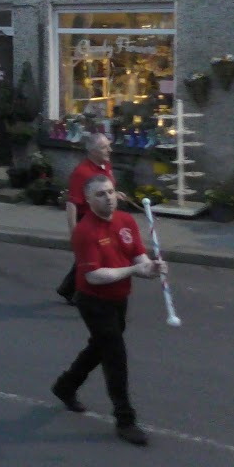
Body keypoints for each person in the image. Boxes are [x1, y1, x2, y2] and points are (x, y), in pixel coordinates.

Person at [50, 174, 164, 446]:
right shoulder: (85, 231)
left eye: (111, 192)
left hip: (119, 297)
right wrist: (136, 270)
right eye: (100, 194)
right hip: (93, 301)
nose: (108, 198)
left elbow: (139, 258)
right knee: (115, 355)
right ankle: (125, 419)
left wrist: (151, 269)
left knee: (100, 346)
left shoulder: (126, 222)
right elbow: (94, 276)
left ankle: (66, 385)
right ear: (88, 200)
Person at [57, 133, 117, 304]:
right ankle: (84, 293)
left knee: (90, 257)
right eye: (104, 147)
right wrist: (74, 232)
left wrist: (114, 194)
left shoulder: (105, 166)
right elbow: (72, 204)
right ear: (92, 151)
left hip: (103, 218)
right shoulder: (82, 173)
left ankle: (69, 289)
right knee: (95, 256)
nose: (109, 150)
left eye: (108, 145)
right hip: (88, 220)